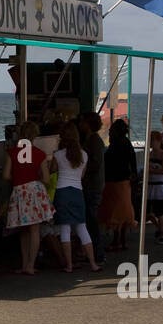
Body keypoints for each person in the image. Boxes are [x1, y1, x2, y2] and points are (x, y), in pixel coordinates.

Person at [5, 120, 54, 275]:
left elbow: (6, 175)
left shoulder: (12, 153)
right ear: (34, 136)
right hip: (34, 191)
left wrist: (18, 179)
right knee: (34, 230)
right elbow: (46, 179)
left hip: (19, 191)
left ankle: (24, 263)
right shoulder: (40, 154)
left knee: (23, 230)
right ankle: (31, 265)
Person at [52, 123, 100, 273]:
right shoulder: (83, 155)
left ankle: (69, 265)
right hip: (77, 193)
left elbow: (52, 171)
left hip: (62, 192)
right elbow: (82, 175)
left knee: (65, 229)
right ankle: (93, 264)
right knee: (82, 228)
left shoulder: (58, 155)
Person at [100, 119, 137, 253]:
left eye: (111, 129)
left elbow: (108, 162)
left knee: (115, 211)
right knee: (123, 211)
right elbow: (132, 159)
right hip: (124, 180)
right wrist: (133, 174)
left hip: (114, 181)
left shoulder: (115, 144)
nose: (109, 131)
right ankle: (122, 240)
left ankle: (116, 241)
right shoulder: (126, 143)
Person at [78, 112, 107, 265]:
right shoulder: (92, 139)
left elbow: (94, 163)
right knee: (90, 222)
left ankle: (98, 254)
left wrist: (82, 169)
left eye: (82, 122)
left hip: (92, 185)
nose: (80, 125)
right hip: (93, 185)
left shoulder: (93, 140)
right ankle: (95, 253)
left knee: (92, 222)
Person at [146, 131, 163, 244]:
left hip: (160, 185)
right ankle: (160, 228)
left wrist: (151, 170)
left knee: (160, 212)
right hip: (151, 184)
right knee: (149, 212)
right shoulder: (150, 154)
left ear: (157, 141)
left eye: (152, 141)